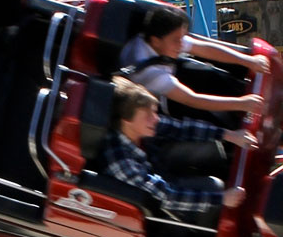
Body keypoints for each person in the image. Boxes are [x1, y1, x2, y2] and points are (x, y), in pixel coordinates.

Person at [96, 77, 257, 227]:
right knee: (214, 187)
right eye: (148, 114)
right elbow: (167, 196)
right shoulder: (121, 162)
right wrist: (222, 198)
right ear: (126, 120)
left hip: (158, 168)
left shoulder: (140, 125)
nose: (156, 119)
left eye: (154, 111)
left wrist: (230, 135)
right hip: (158, 205)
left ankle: (238, 180)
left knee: (209, 147)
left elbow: (181, 128)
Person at [117, 5, 268, 117]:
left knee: (206, 73)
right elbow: (192, 99)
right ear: (156, 41)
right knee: (212, 112)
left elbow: (204, 49)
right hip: (167, 102)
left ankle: (255, 95)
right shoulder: (148, 72)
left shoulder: (164, 40)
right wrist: (242, 104)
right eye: (177, 40)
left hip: (171, 68)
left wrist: (248, 61)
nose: (181, 44)